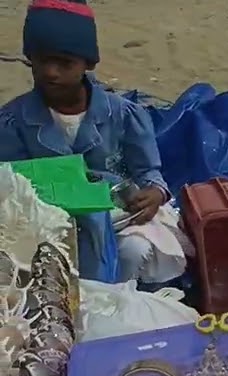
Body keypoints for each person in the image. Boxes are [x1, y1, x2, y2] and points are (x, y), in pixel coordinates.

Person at [0, 0, 191, 284]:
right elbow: (12, 185)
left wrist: (156, 193)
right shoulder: (13, 122)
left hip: (118, 216)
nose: (51, 72)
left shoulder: (124, 115)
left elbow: (148, 170)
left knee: (134, 251)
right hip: (49, 223)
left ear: (87, 64)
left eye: (64, 63)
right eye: (42, 61)